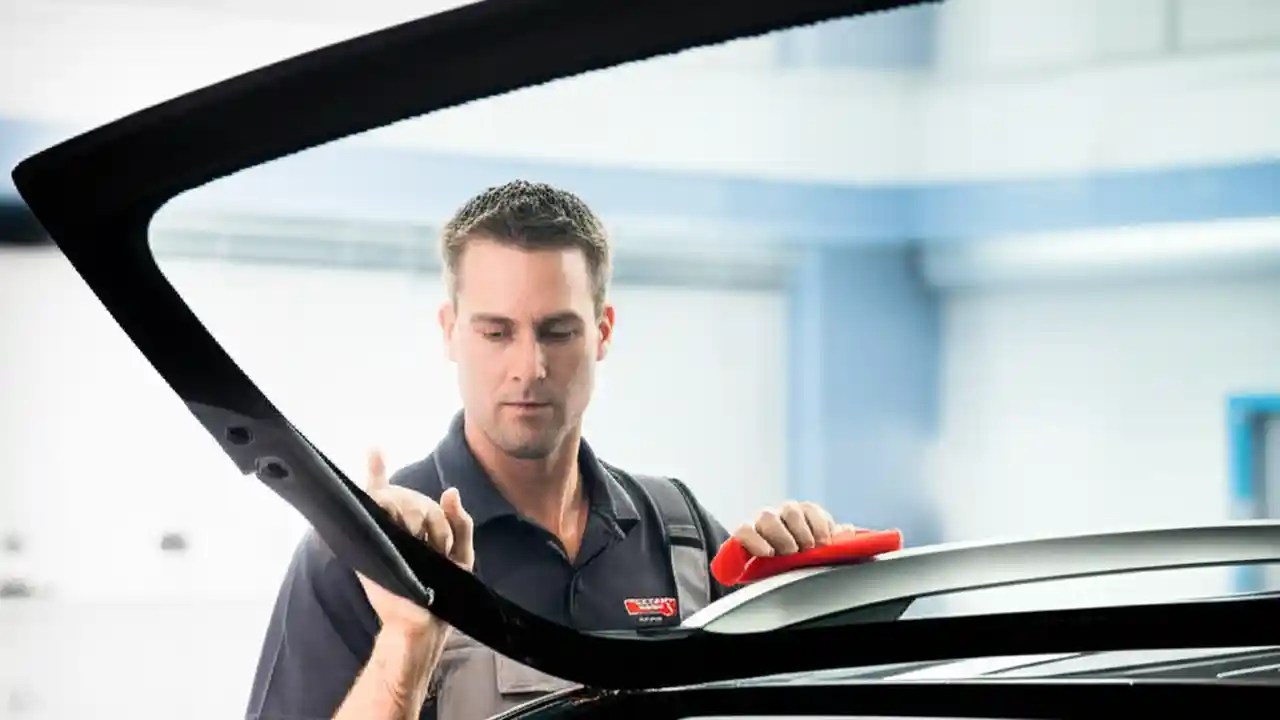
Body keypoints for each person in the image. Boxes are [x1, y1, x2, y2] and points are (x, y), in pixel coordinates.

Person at [244, 180, 853, 720]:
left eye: (557, 332)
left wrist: (809, 580)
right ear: (450, 332)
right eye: (496, 332)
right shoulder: (365, 550)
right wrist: (404, 650)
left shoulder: (681, 536)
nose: (529, 367)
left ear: (602, 333)